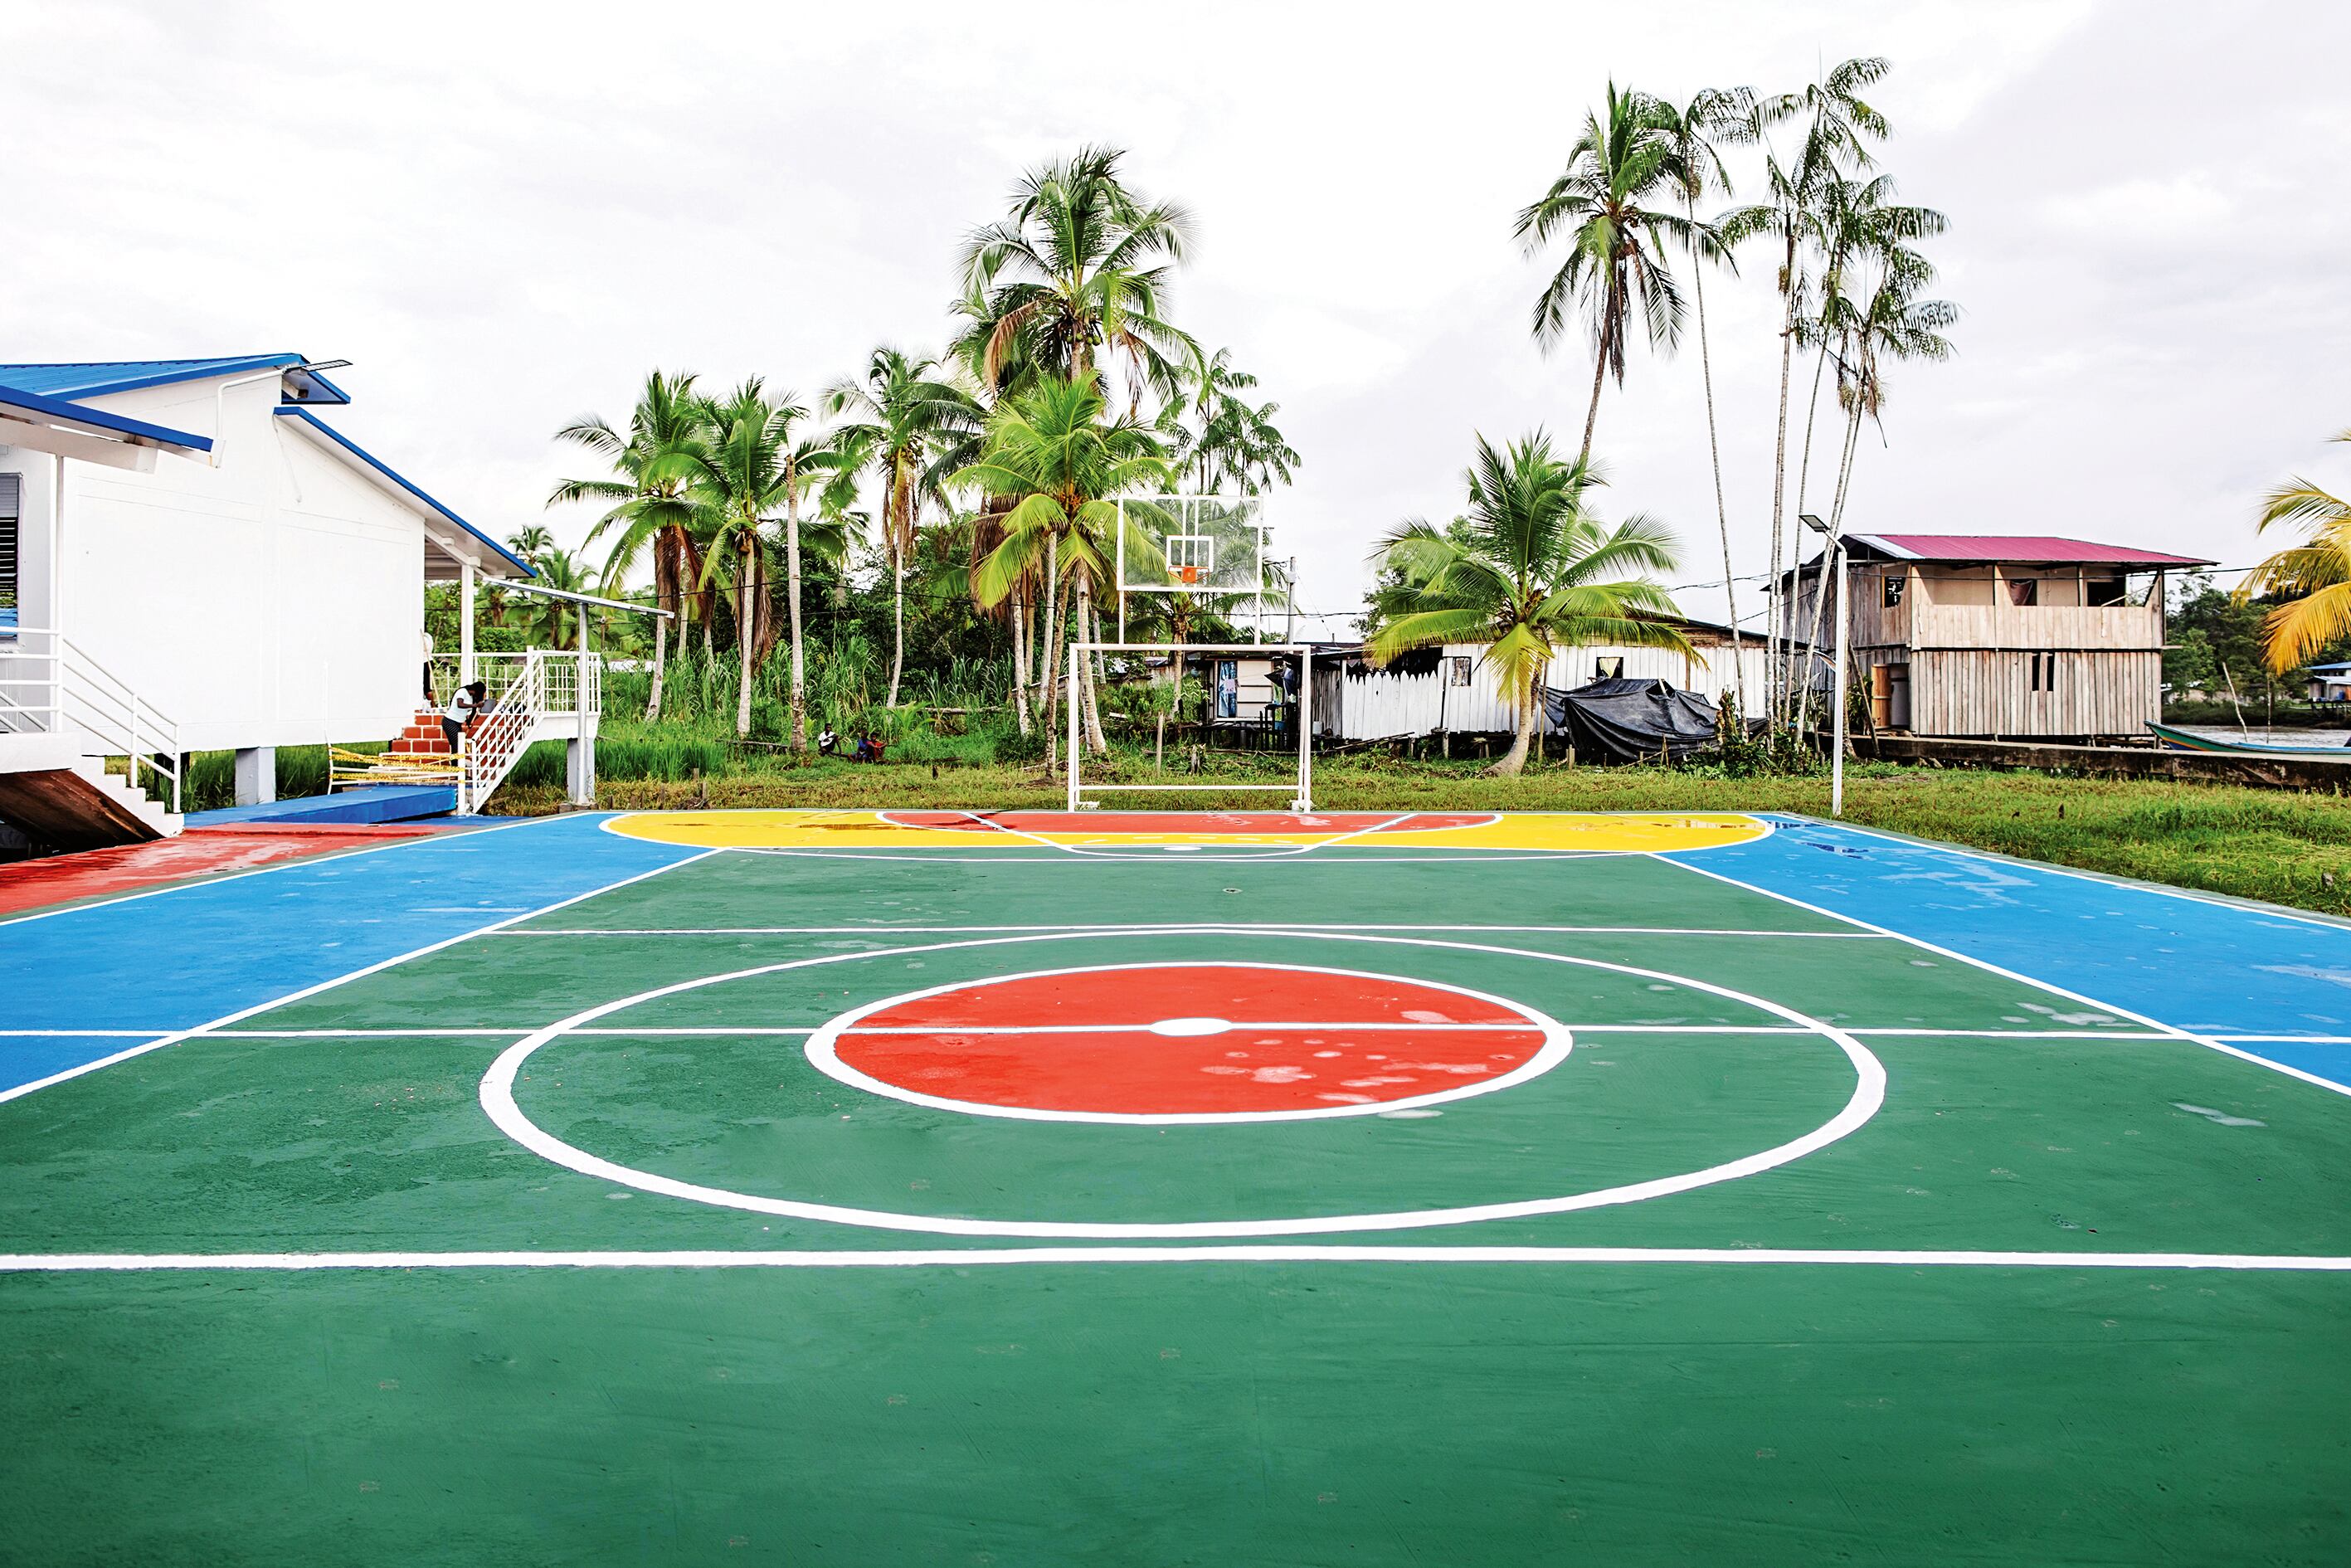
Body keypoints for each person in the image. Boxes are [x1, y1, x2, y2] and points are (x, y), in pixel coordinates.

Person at [441, 680, 486, 753]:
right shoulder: (462, 691)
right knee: (457, 746)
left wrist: (471, 720)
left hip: (458, 723)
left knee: (458, 745)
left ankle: (456, 763)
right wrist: (475, 705)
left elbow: (474, 712)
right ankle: (455, 764)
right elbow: (460, 704)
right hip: (450, 721)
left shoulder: (472, 698)